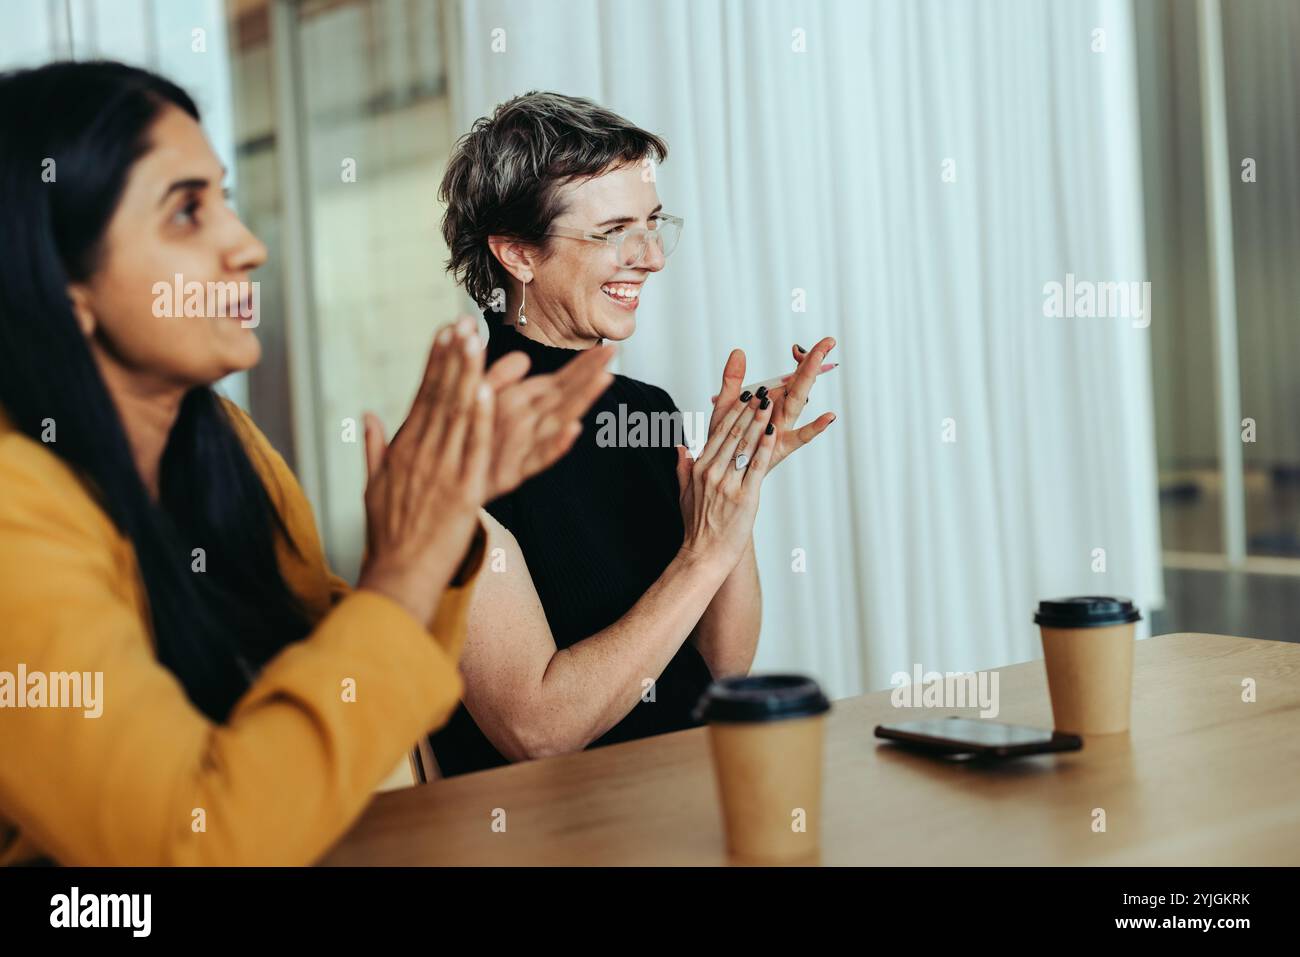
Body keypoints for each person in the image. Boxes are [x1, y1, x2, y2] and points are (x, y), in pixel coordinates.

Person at [0, 62, 613, 865]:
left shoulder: (225, 442)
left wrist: (436, 530)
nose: (247, 245)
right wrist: (401, 571)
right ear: (62, 276)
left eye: (223, 197)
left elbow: (343, 685)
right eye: (187, 211)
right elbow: (192, 842)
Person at [429, 91, 836, 775]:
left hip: (684, 791)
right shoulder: (449, 448)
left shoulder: (642, 408)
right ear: (518, 255)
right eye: (613, 231)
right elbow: (537, 730)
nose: (651, 257)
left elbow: (718, 665)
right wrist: (702, 554)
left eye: (652, 223)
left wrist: (731, 485)